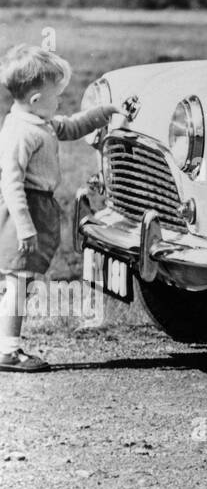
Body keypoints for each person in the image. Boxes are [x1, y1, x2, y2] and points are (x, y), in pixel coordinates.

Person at [0, 46, 119, 372]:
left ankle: (6, 344)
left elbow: (71, 127)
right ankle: (8, 351)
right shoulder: (22, 132)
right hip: (24, 209)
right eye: (57, 97)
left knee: (19, 281)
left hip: (38, 206)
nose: (61, 104)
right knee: (19, 281)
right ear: (37, 100)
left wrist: (104, 112)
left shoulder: (40, 120)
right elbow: (11, 185)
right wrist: (25, 227)